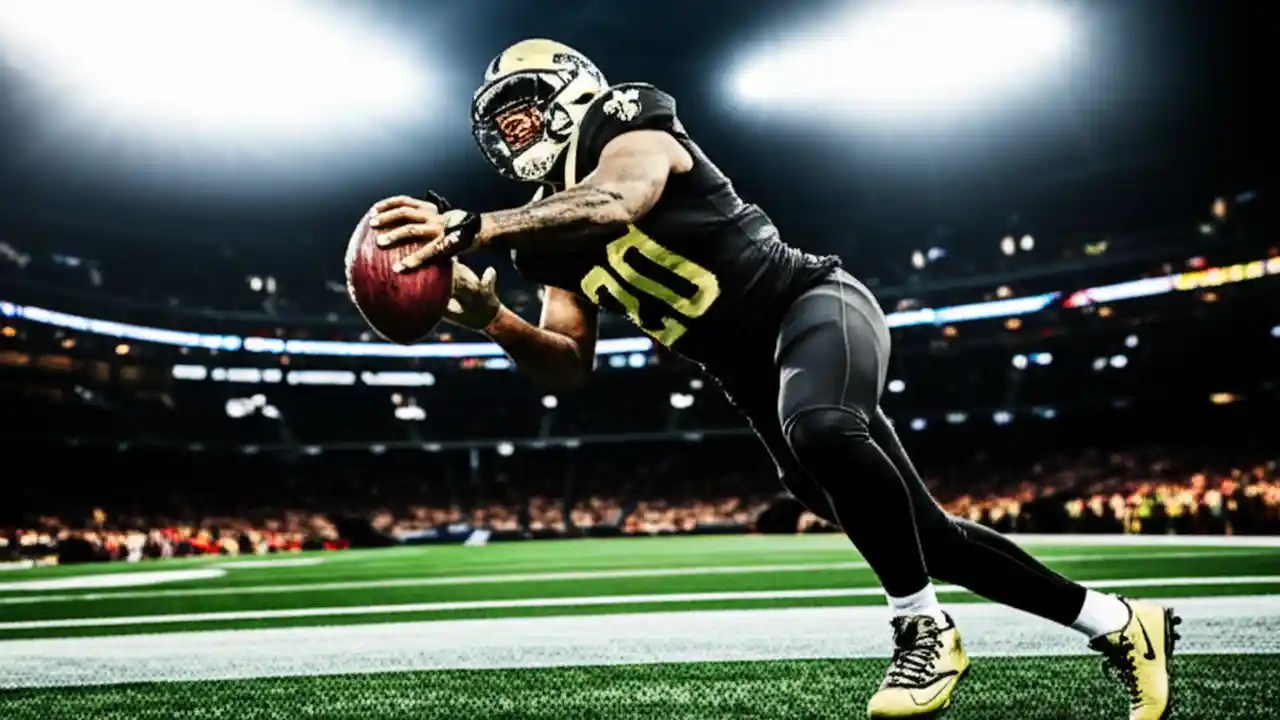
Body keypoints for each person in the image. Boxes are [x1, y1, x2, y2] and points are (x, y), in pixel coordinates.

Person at [368, 39, 1178, 719]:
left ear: (573, 88)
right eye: (500, 124)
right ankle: (1118, 620)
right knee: (922, 534)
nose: (515, 131)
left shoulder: (627, 119)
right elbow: (568, 364)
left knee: (823, 427)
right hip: (749, 377)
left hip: (811, 305)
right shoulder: (540, 240)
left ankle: (921, 629)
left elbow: (620, 198)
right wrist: (492, 321)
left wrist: (476, 224)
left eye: (525, 107)